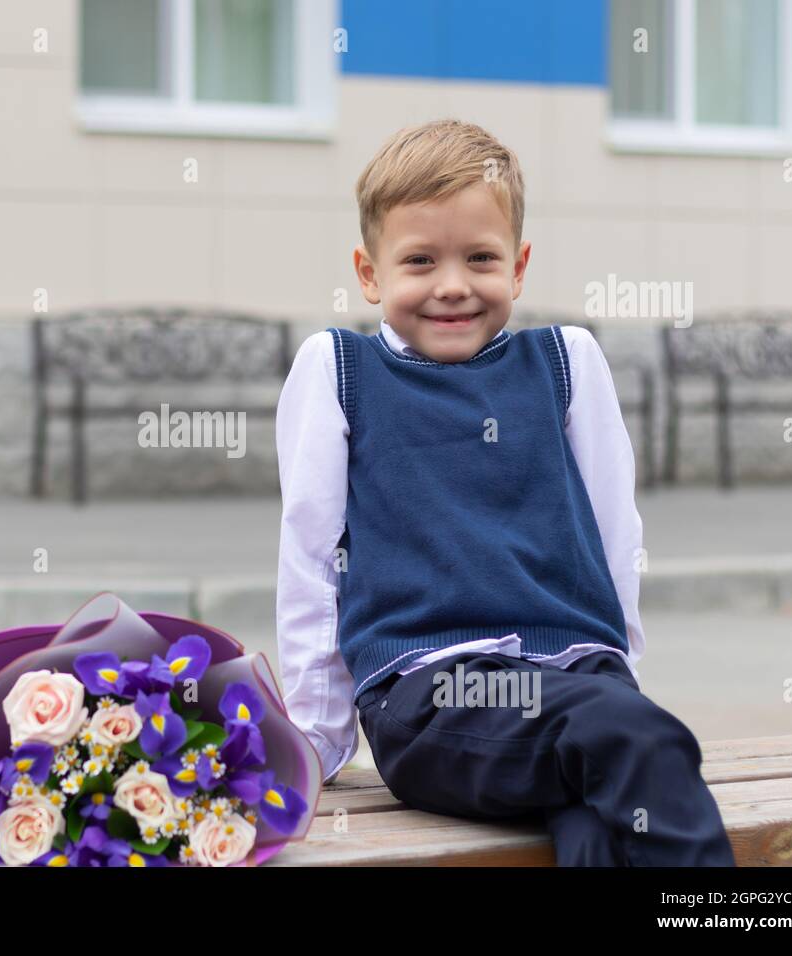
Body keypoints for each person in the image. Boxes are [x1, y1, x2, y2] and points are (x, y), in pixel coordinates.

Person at [274, 118, 734, 866]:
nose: (452, 285)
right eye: (419, 260)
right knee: (630, 741)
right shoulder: (340, 370)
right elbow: (310, 559)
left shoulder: (567, 361)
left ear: (518, 267)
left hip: (579, 685)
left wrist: (619, 677)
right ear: (369, 272)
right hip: (432, 693)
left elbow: (618, 535)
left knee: (598, 822)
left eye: (480, 258)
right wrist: (317, 739)